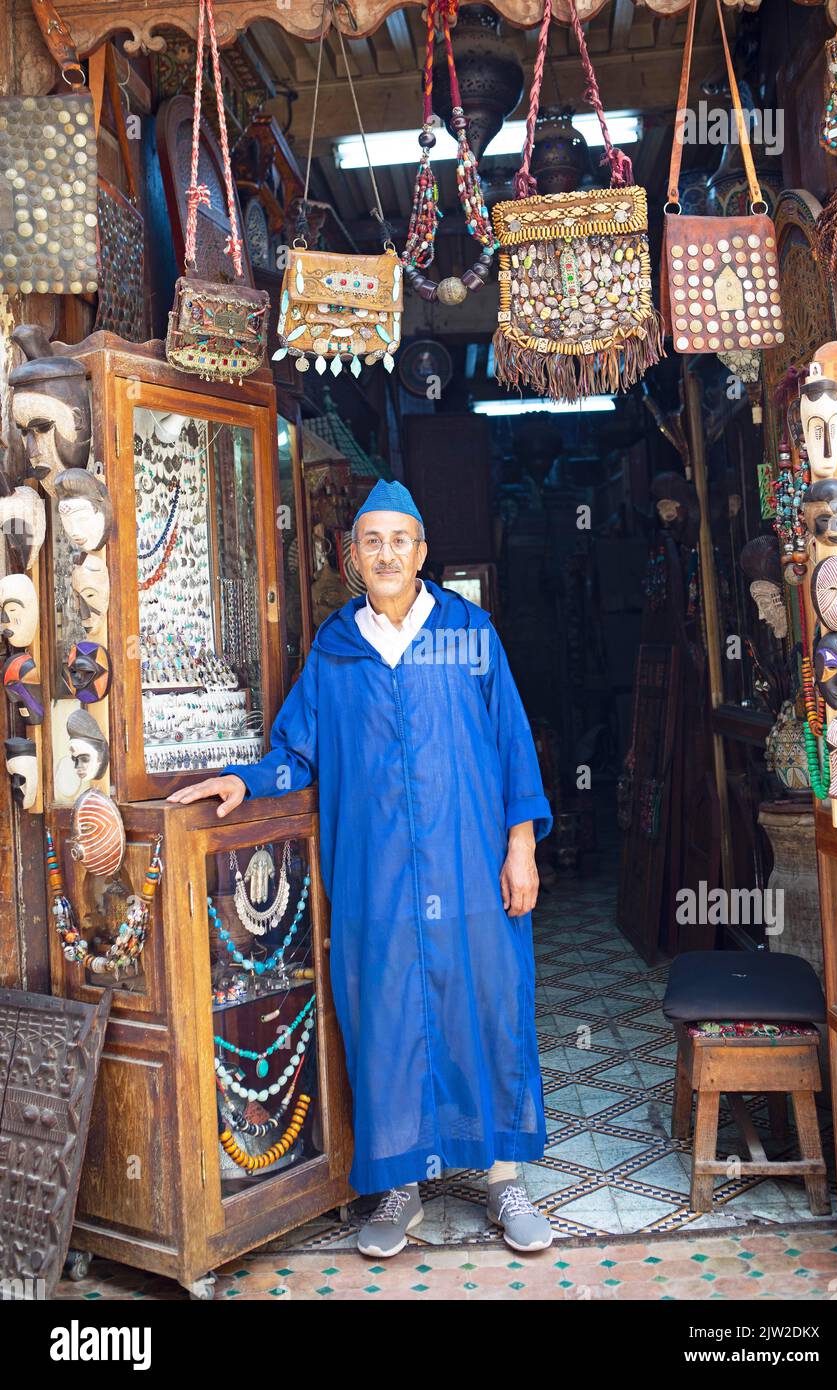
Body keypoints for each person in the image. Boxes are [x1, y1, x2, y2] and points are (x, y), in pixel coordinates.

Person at [169, 479, 554, 1256]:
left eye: (399, 541)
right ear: (352, 557)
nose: (385, 554)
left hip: (471, 864)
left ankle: (504, 1180)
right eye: (370, 542)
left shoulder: (467, 632)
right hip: (375, 876)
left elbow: (513, 745)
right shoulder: (335, 649)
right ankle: (399, 1188)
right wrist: (246, 778)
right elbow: (297, 750)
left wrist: (520, 848)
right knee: (383, 1018)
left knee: (487, 1003)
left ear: (421, 552)